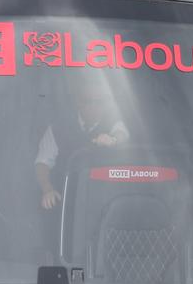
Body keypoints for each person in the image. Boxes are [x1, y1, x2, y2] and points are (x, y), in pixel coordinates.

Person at [34, 79, 129, 212]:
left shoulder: (112, 122)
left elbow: (122, 134)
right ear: (78, 102)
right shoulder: (58, 128)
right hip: (68, 203)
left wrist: (113, 140)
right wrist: (48, 190)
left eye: (99, 101)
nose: (94, 106)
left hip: (106, 203)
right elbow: (42, 163)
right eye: (88, 101)